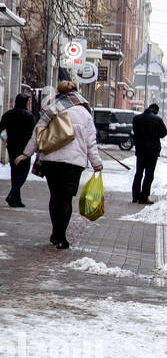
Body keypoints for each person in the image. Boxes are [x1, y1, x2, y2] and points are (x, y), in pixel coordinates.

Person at [12, 80, 103, 249]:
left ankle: (56, 233)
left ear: (59, 93)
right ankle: (61, 237)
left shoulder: (52, 109)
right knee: (66, 198)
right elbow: (91, 142)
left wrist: (26, 153)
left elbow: (37, 132)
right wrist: (96, 163)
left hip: (51, 161)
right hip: (74, 164)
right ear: (76, 92)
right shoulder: (85, 113)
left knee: (55, 197)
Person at [0, 93, 36, 207]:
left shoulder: (8, 114)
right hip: (24, 149)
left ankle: (16, 199)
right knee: (23, 173)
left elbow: (1, 129)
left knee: (14, 172)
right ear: (25, 103)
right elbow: (33, 133)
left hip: (12, 147)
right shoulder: (29, 116)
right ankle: (12, 194)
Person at [131, 102, 167, 204]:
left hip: (140, 150)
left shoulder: (137, 119)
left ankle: (135, 196)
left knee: (138, 173)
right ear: (156, 111)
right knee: (149, 175)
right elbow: (163, 134)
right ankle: (144, 197)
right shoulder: (158, 120)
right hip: (152, 151)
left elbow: (135, 132)